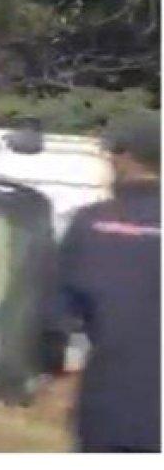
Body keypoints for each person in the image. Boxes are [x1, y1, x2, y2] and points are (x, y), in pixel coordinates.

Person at [49, 111, 160, 452]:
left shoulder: (90, 224)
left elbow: (55, 315)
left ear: (123, 157)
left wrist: (49, 369)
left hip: (110, 407)